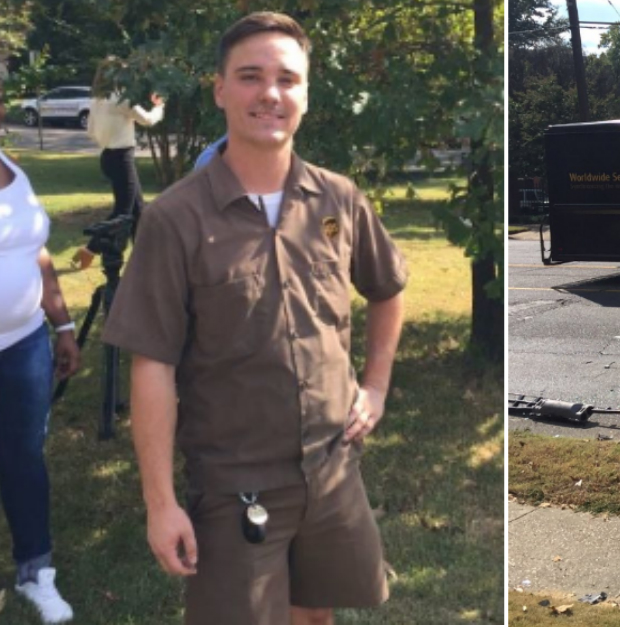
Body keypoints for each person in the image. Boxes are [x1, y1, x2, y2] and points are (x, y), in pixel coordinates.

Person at [101, 12, 408, 623]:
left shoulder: (338, 198)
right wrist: (159, 503)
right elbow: (152, 364)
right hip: (234, 484)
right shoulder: (175, 219)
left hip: (332, 466)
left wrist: (374, 387)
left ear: (305, 94)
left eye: (287, 79)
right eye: (250, 77)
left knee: (316, 614)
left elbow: (388, 287)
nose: (270, 93)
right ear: (220, 89)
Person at [0, 97, 81, 624]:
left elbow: (37, 251)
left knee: (24, 458)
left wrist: (64, 325)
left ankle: (35, 571)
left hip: (26, 344)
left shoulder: (12, 169)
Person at [86, 58, 165, 222]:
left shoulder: (96, 100)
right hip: (122, 158)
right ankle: (93, 247)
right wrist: (159, 106)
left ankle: (141, 248)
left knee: (138, 210)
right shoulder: (121, 100)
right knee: (123, 213)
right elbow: (148, 119)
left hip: (107, 157)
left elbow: (91, 132)